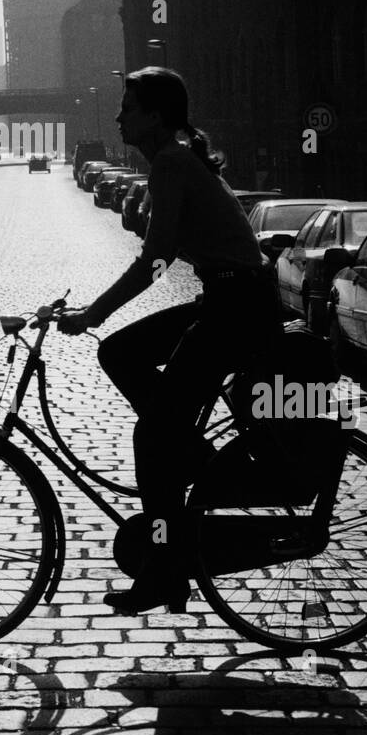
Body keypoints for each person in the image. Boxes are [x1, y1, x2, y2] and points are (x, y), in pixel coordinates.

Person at [58, 67, 281, 615]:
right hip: (228, 297)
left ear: (155, 116)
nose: (118, 118)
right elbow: (168, 250)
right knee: (119, 352)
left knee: (152, 440)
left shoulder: (171, 163)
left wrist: (92, 313)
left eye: (128, 107)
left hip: (236, 307)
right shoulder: (173, 161)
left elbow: (154, 261)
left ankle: (163, 571)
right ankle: (190, 452)